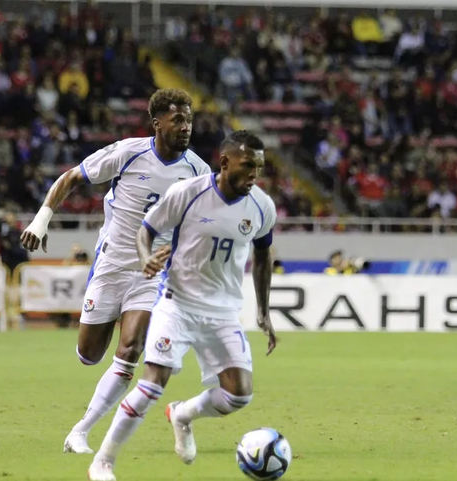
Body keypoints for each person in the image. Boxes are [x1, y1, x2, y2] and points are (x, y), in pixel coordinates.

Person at [19, 89, 211, 454]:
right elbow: (72, 177)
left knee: (130, 349)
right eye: (178, 120)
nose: (186, 127)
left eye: (189, 119)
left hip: (151, 272)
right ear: (157, 123)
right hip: (111, 265)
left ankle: (81, 431)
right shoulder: (128, 152)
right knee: (89, 354)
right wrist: (42, 221)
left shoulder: (199, 173)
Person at [87, 131, 278, 481]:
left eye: (260, 167)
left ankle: (183, 414)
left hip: (222, 312)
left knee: (239, 395)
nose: (255, 174)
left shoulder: (262, 206)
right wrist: (146, 259)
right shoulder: (188, 193)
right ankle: (103, 461)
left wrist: (264, 310)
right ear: (224, 162)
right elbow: (146, 230)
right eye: (248, 165)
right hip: (177, 305)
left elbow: (264, 255)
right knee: (151, 385)